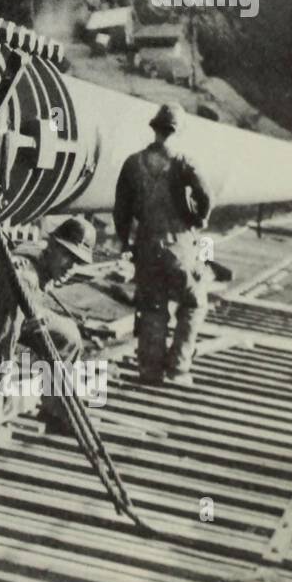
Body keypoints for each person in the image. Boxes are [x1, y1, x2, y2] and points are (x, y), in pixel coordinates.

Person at [0, 217, 93, 432]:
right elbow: (5, 335)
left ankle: (57, 409)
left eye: (78, 262)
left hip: (1, 318)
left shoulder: (38, 254)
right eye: (67, 256)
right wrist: (6, 381)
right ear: (51, 246)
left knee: (68, 335)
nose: (71, 267)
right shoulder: (24, 277)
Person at [113, 103, 213, 386]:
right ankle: (179, 367)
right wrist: (199, 221)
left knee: (153, 307)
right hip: (179, 248)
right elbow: (207, 196)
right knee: (195, 302)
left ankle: (150, 371)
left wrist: (126, 243)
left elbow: (121, 211)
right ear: (177, 131)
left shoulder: (133, 163)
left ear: (154, 129)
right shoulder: (184, 162)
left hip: (146, 248)